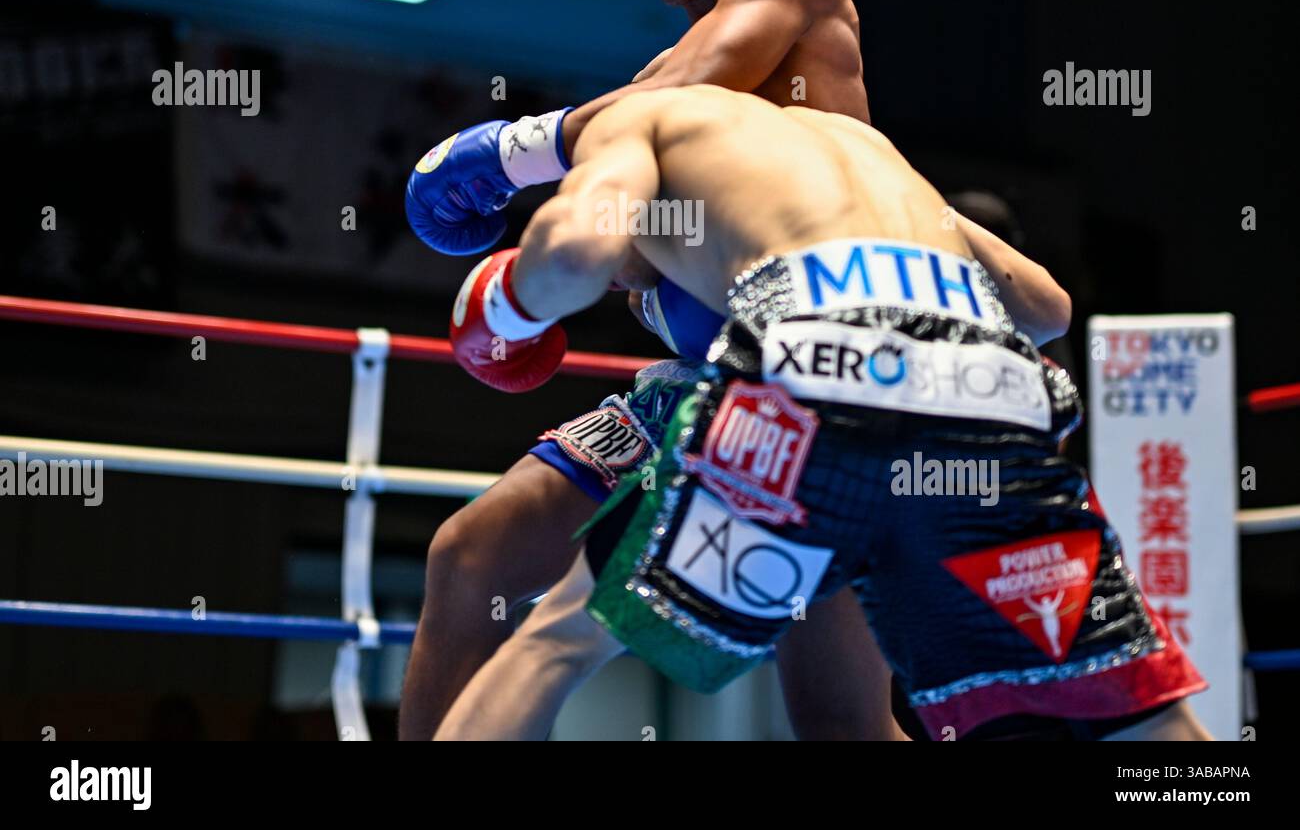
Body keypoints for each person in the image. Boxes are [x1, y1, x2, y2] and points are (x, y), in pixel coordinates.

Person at [436, 86, 1209, 742]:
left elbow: (575, 255)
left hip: (812, 367)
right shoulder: (860, 146)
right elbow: (1045, 307)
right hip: (988, 392)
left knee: (556, 642)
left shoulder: (638, 117)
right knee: (1139, 714)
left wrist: (507, 308)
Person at [398, 0, 895, 742]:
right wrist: (569, 283)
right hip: (685, 392)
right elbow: (632, 252)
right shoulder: (656, 91)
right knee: (471, 559)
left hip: (807, 391)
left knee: (845, 728)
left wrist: (506, 152)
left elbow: (683, 90)